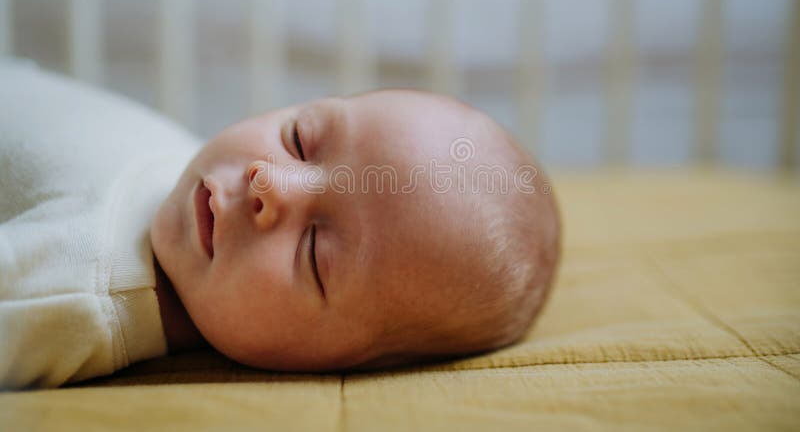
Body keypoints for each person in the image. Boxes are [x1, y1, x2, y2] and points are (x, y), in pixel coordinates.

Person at [0, 60, 560, 389]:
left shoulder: (71, 291)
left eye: (315, 252)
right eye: (299, 141)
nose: (270, 183)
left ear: (345, 364)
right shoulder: (187, 170)